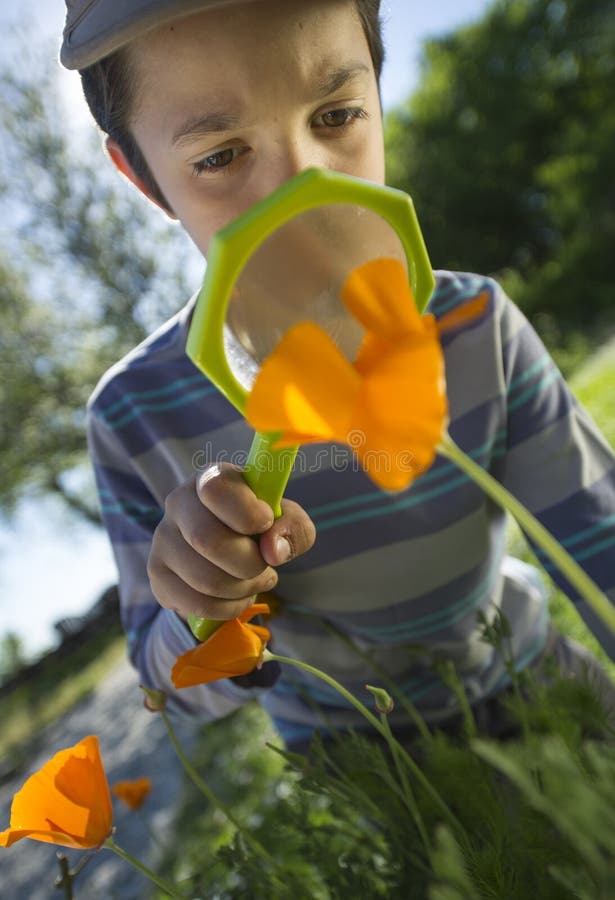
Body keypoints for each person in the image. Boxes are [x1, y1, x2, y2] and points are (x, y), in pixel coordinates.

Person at [60, 0, 615, 749]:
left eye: (335, 116)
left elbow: (600, 546)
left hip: (529, 672)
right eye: (220, 155)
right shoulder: (134, 416)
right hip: (358, 756)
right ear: (142, 177)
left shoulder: (476, 325)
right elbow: (175, 695)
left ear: (378, 100)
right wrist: (202, 604)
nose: (303, 187)